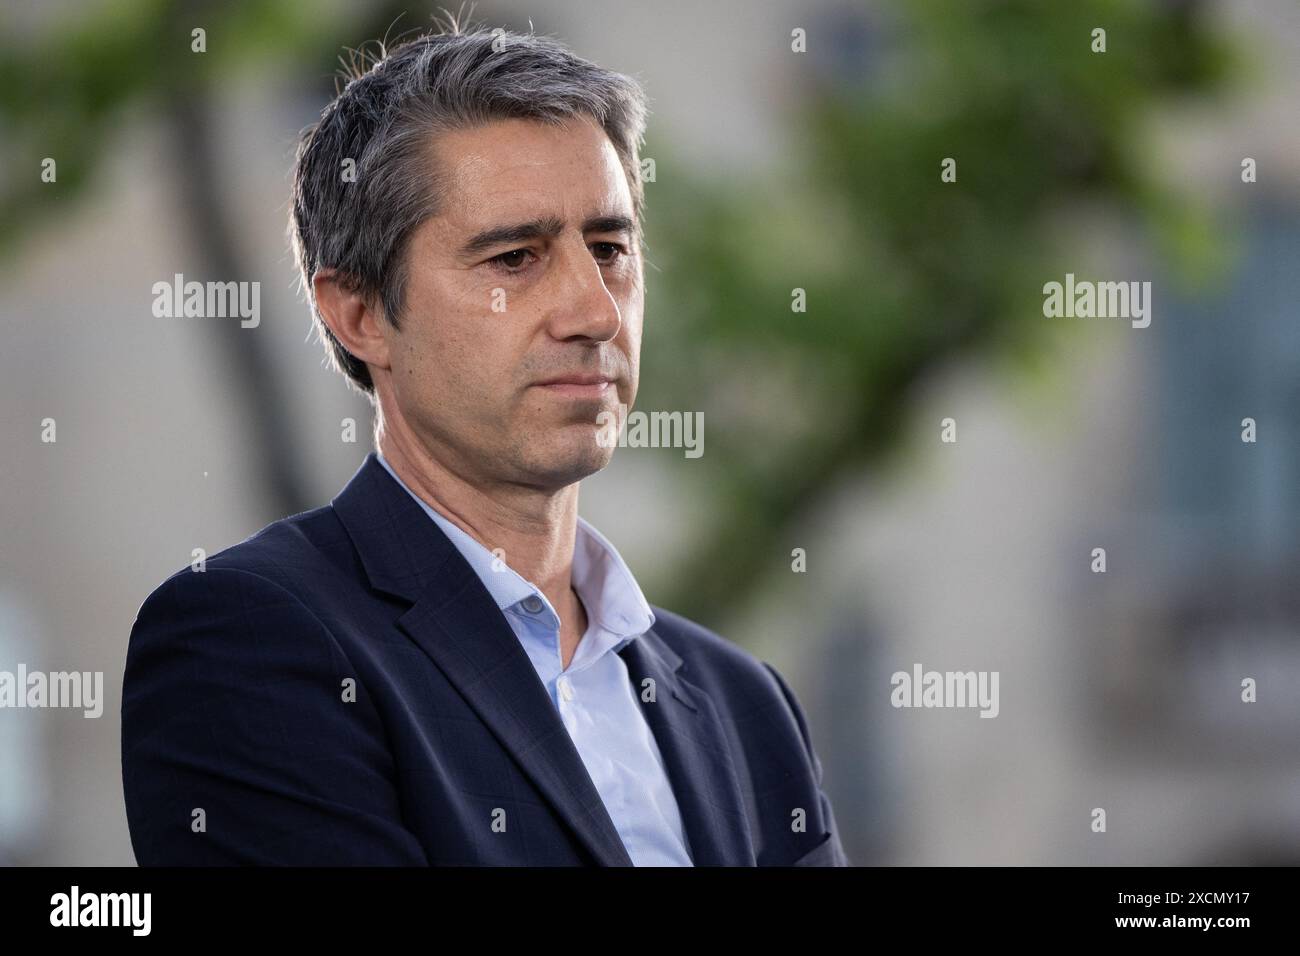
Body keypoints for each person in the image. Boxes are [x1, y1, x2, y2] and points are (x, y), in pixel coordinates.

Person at [121, 17, 848, 867]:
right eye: (513, 258)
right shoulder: (249, 642)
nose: (596, 311)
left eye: (610, 248)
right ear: (358, 314)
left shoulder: (744, 705)